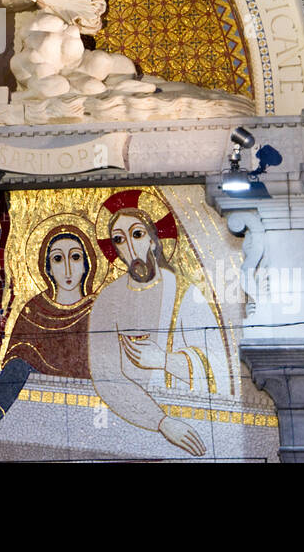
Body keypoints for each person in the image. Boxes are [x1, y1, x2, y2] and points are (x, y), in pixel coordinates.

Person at [0, 224, 100, 461]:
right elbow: (16, 367)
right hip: (42, 423)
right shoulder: (35, 312)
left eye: (75, 257)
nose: (67, 268)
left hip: (93, 421)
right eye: (57, 259)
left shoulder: (100, 311)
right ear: (48, 269)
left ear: (87, 264)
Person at [86, 189, 212, 457]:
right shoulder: (107, 301)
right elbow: (106, 377)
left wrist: (165, 360)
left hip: (189, 417)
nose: (130, 248)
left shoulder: (185, 294)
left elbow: (217, 368)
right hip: (133, 425)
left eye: (137, 234)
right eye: (119, 240)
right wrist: (162, 422)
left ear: (154, 240)